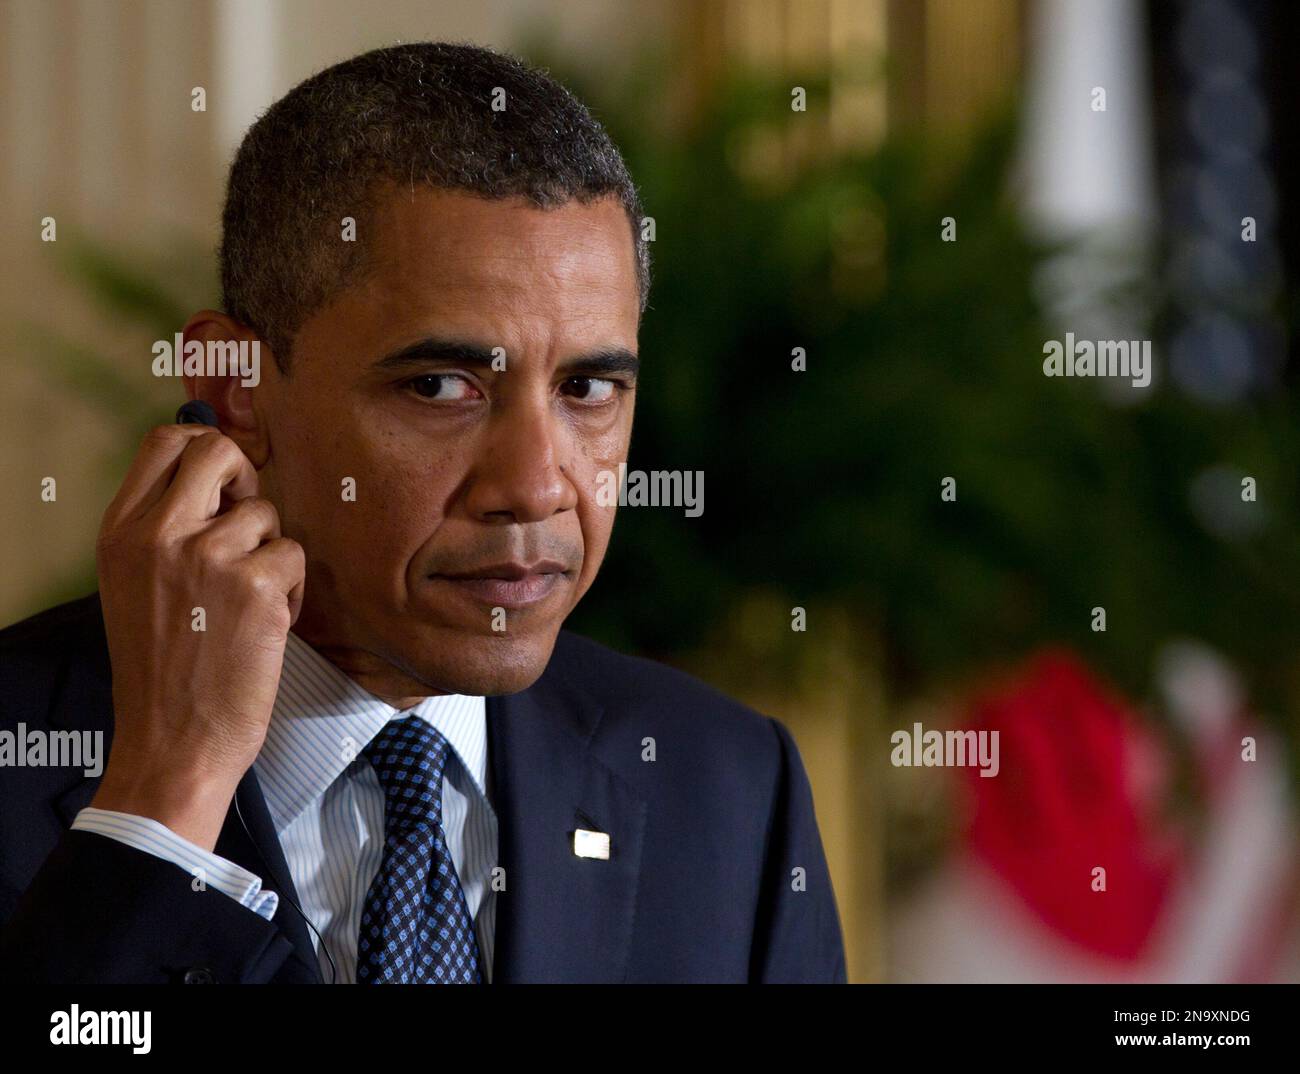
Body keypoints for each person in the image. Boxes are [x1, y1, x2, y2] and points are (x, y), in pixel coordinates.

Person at [0, 41, 845, 984]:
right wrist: (166, 796)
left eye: (590, 388)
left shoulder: (728, 791)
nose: (535, 485)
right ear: (237, 389)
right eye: (441, 385)